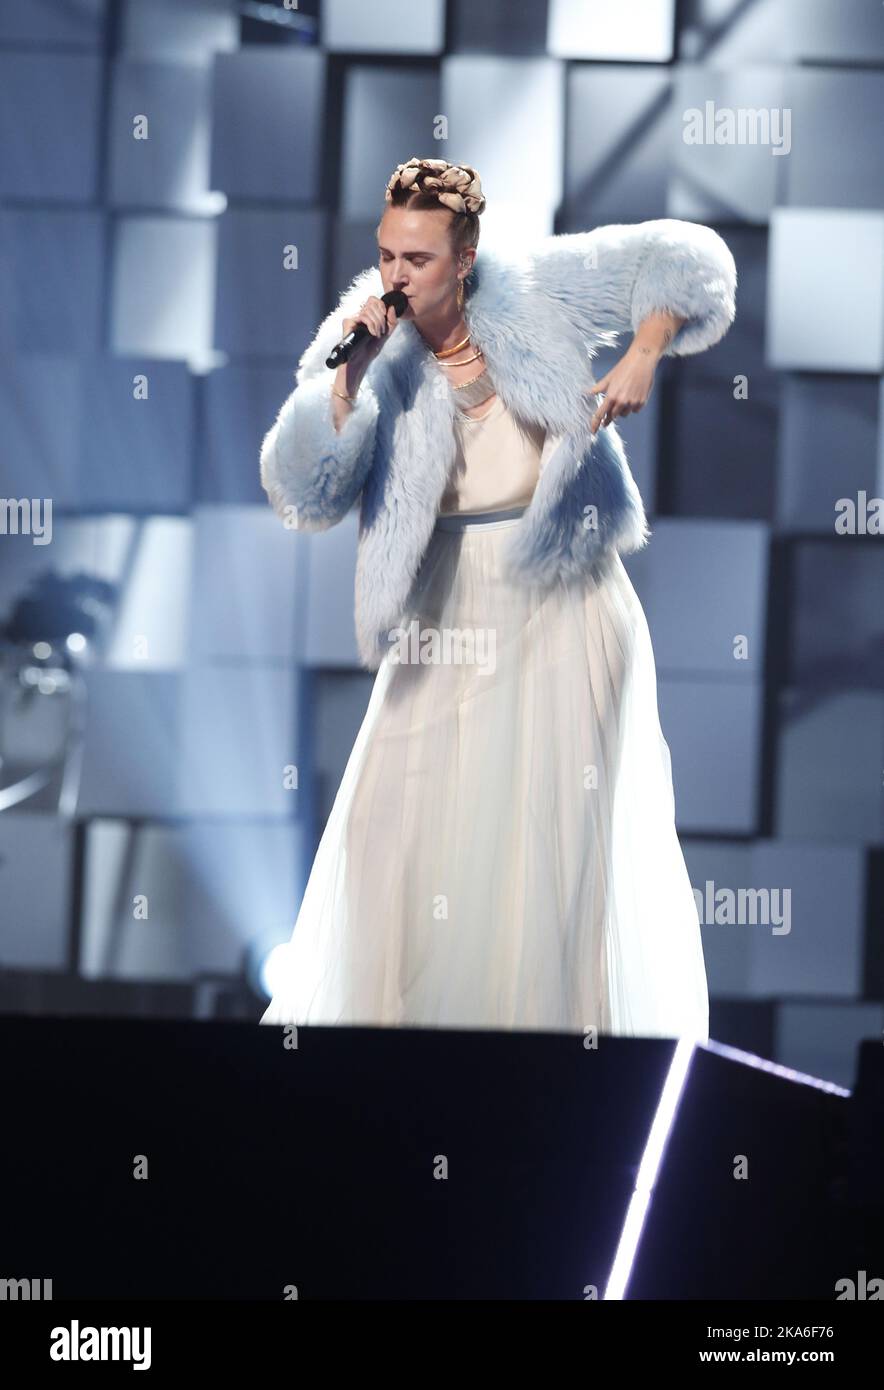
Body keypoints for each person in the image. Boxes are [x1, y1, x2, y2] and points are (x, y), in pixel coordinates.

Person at [258, 155, 737, 1040]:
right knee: (394, 835)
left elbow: (688, 258)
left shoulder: (538, 289)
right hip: (443, 608)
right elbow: (305, 493)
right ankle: (396, 1080)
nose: (397, 276)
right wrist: (347, 381)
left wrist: (644, 350)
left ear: (466, 256)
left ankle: (547, 1078)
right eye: (388, 255)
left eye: (419, 259)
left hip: (563, 592)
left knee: (545, 849)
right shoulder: (365, 342)